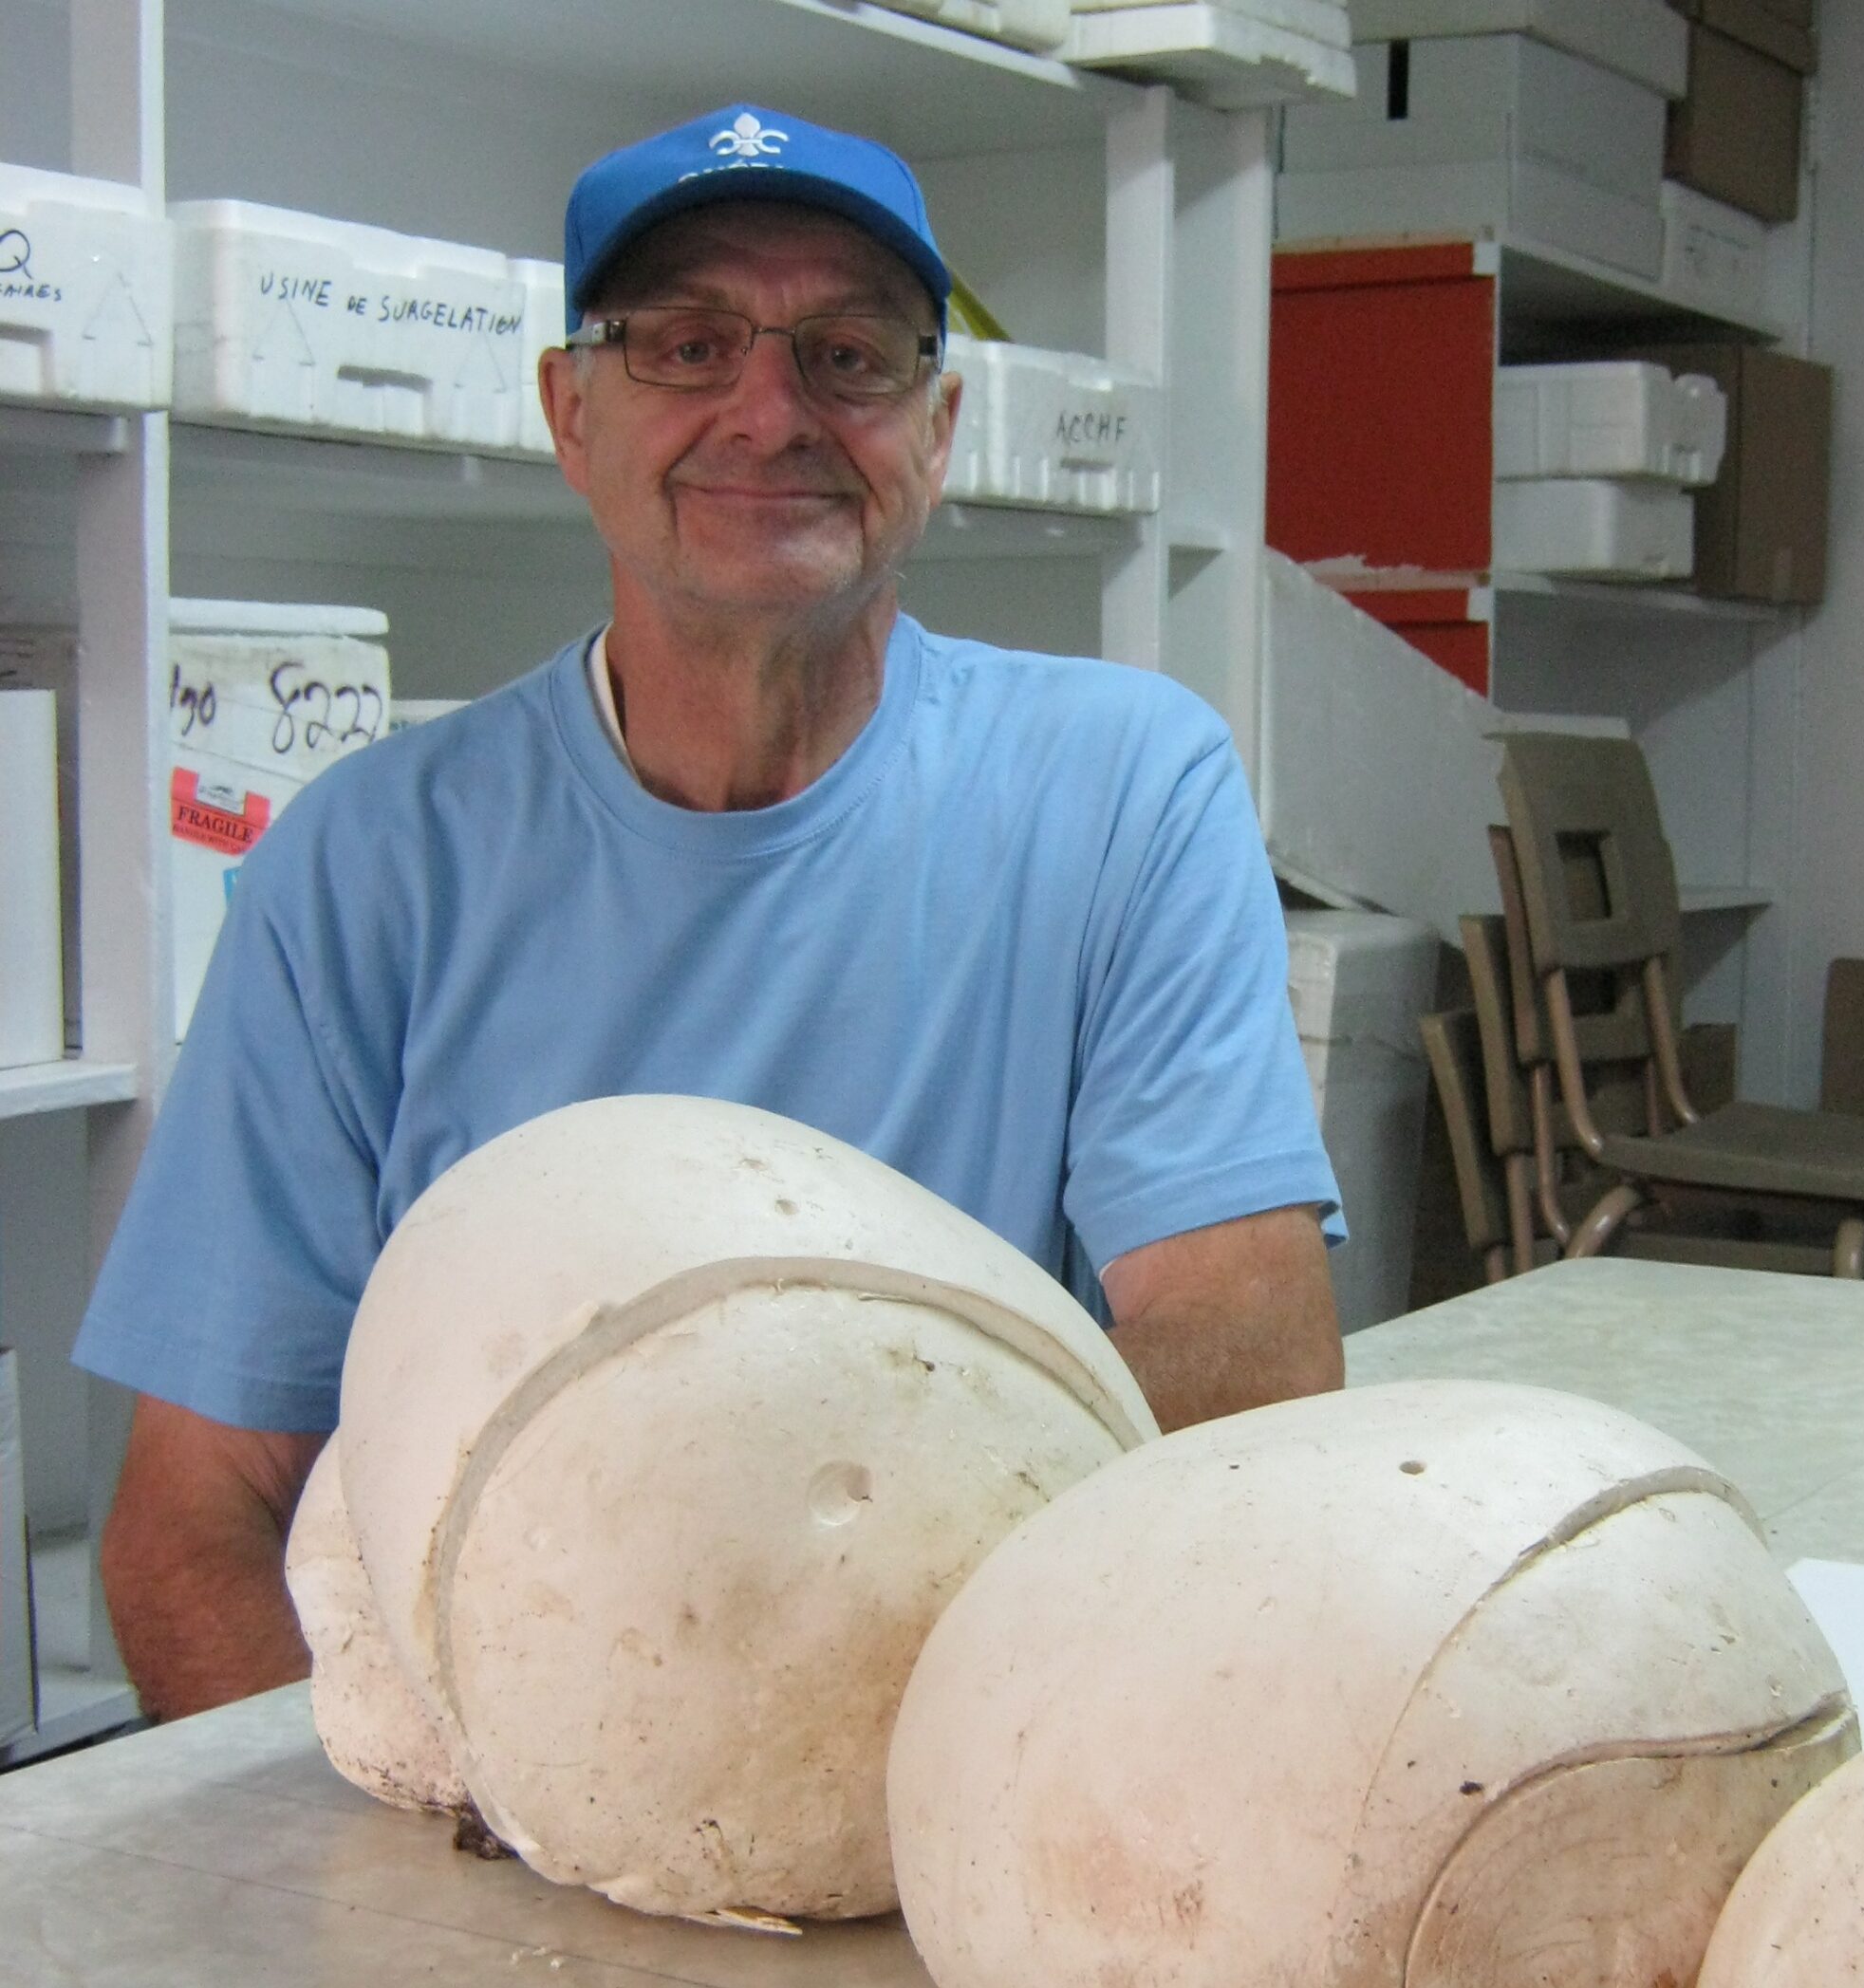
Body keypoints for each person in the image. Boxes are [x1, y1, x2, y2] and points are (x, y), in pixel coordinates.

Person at [76, 104, 1345, 1721]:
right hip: (491, 1786)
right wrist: (377, 1915)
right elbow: (191, 1524)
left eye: (850, 355)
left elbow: (1248, 1372)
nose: (770, 411)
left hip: (947, 1737)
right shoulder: (365, 867)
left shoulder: (1119, 790)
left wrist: (830, 1710)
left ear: (938, 430)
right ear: (569, 411)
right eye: (685, 346)